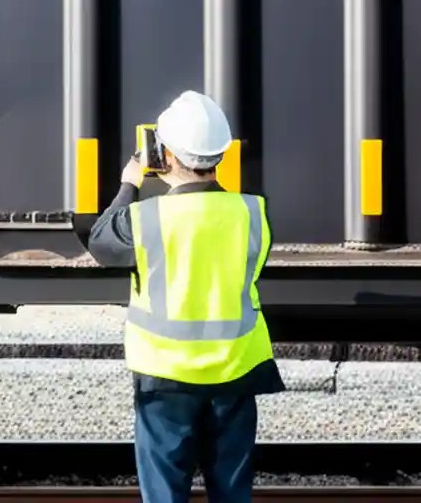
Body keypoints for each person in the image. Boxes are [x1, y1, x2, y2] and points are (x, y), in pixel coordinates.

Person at [88, 91, 285, 503]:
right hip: (234, 370)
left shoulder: (145, 219)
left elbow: (100, 240)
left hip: (165, 377)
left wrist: (131, 181)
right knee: (232, 493)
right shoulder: (253, 213)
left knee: (164, 494)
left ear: (167, 156)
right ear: (219, 155)